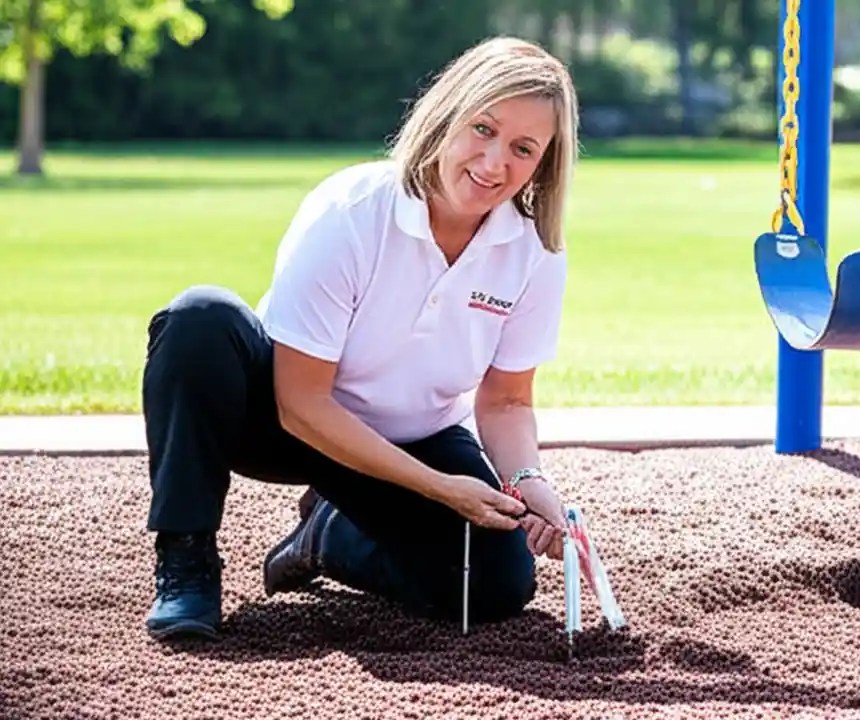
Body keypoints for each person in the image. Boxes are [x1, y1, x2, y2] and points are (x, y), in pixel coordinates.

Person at [139, 36, 579, 640]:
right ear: (448, 112)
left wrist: (529, 482)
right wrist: (439, 489)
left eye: (523, 149)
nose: (495, 161)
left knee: (497, 586)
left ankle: (326, 535)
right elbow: (301, 402)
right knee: (198, 319)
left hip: (413, 435)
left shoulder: (536, 253)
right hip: (285, 421)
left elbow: (505, 401)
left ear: (543, 165)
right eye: (483, 128)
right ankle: (186, 559)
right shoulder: (352, 208)